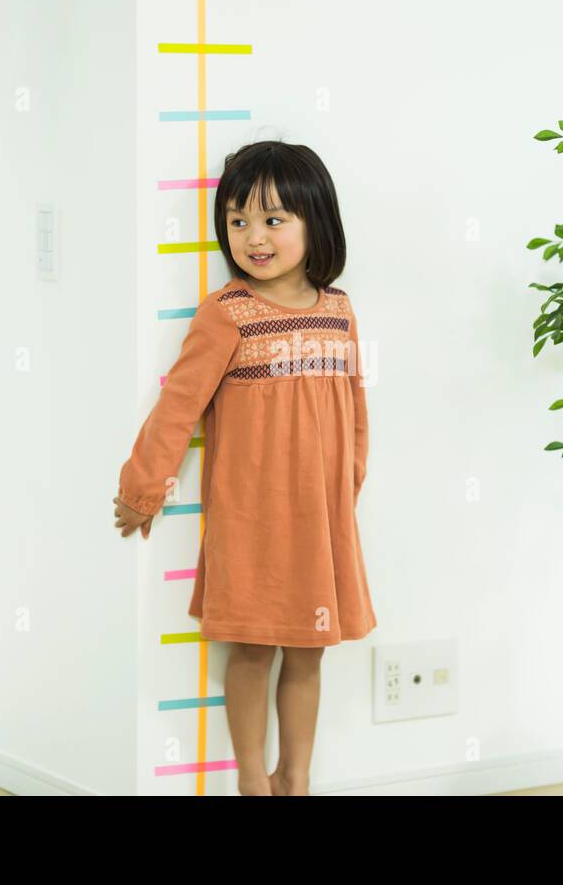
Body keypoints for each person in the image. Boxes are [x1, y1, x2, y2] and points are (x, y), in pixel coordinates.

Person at [114, 140, 376, 796]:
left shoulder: (338, 312)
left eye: (272, 220)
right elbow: (179, 406)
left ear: (315, 221)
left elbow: (355, 410)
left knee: (309, 651)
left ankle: (297, 776)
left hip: (320, 522)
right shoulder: (226, 314)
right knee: (254, 649)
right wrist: (143, 488)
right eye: (237, 221)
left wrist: (346, 488)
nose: (252, 237)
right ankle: (252, 781)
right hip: (252, 521)